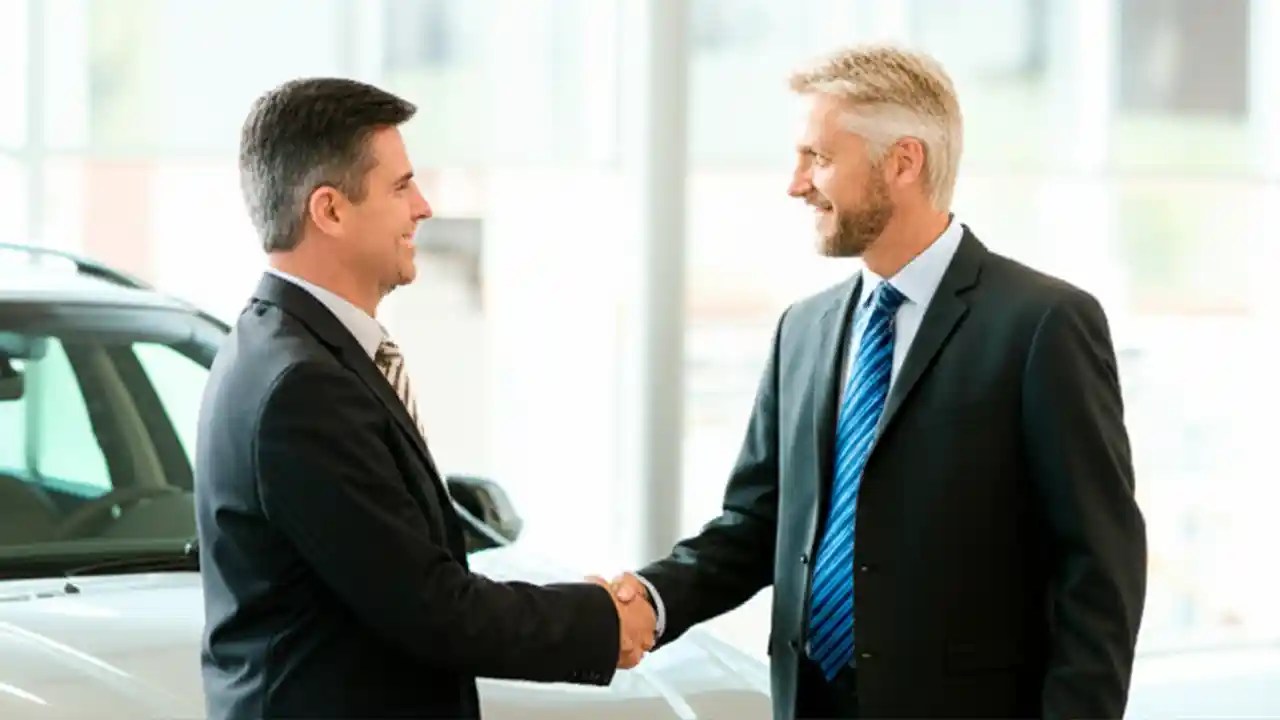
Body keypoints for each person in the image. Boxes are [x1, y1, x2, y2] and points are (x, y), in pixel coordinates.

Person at [608, 44, 1148, 719]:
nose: (796, 183)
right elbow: (755, 525)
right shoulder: (801, 330)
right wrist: (646, 602)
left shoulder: (1044, 324)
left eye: (820, 158)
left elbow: (1098, 568)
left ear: (903, 162)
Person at [194, 77, 654, 720]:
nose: (425, 207)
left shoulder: (279, 346)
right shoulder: (304, 386)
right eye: (402, 186)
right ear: (329, 210)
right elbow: (430, 608)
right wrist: (601, 621)